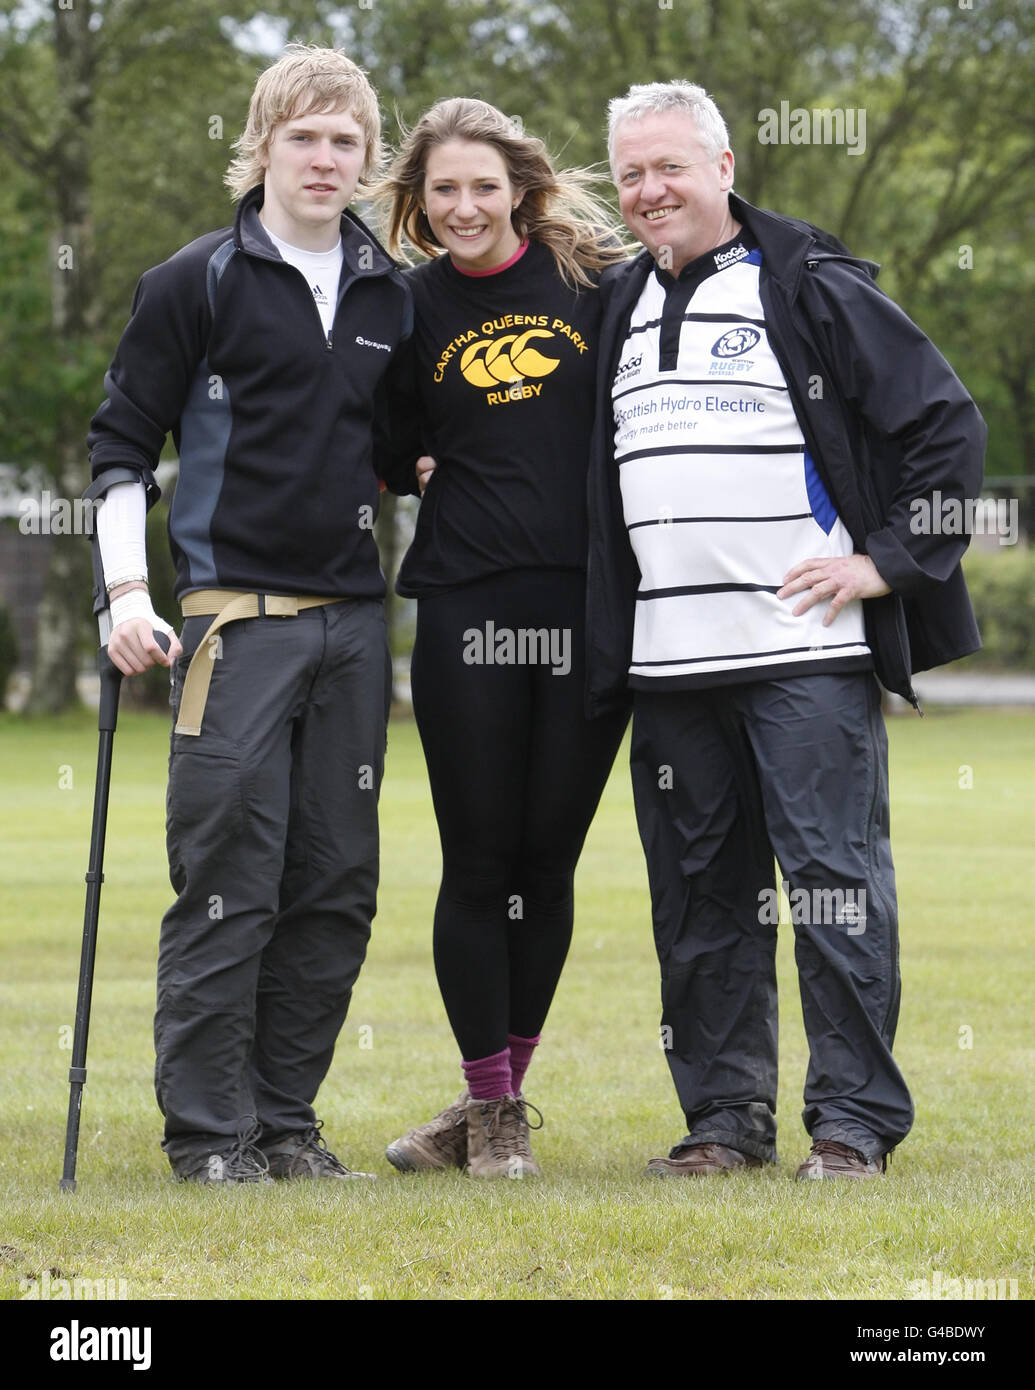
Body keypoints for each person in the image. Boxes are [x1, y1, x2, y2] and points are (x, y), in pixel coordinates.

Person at [586, 81, 986, 1179]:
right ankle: (725, 1122)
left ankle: (852, 1125)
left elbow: (946, 422)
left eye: (670, 165)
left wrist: (887, 562)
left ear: (722, 165)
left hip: (805, 656)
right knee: (701, 904)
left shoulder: (806, 281)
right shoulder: (617, 301)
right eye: (631, 173)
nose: (650, 189)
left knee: (832, 887)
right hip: (668, 671)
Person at [86, 45, 412, 1183]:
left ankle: (286, 1122)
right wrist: (125, 594)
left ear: (369, 161)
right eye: (305, 137)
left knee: (334, 884)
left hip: (355, 631)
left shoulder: (388, 293)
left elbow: (400, 454)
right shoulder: (199, 280)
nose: (326, 159)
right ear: (264, 144)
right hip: (234, 627)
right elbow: (122, 449)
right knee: (230, 874)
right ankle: (209, 1135)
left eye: (346, 142)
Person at [374, 98, 630, 1178]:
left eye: (484, 185)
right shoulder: (408, 306)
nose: (465, 206)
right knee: (479, 859)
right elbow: (384, 445)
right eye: (444, 190)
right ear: (420, 204)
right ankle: (492, 1115)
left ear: (519, 188)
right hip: (468, 609)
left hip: (588, 609)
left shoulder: (598, 289)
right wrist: (416, 467)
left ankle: (495, 1098)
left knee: (549, 860)